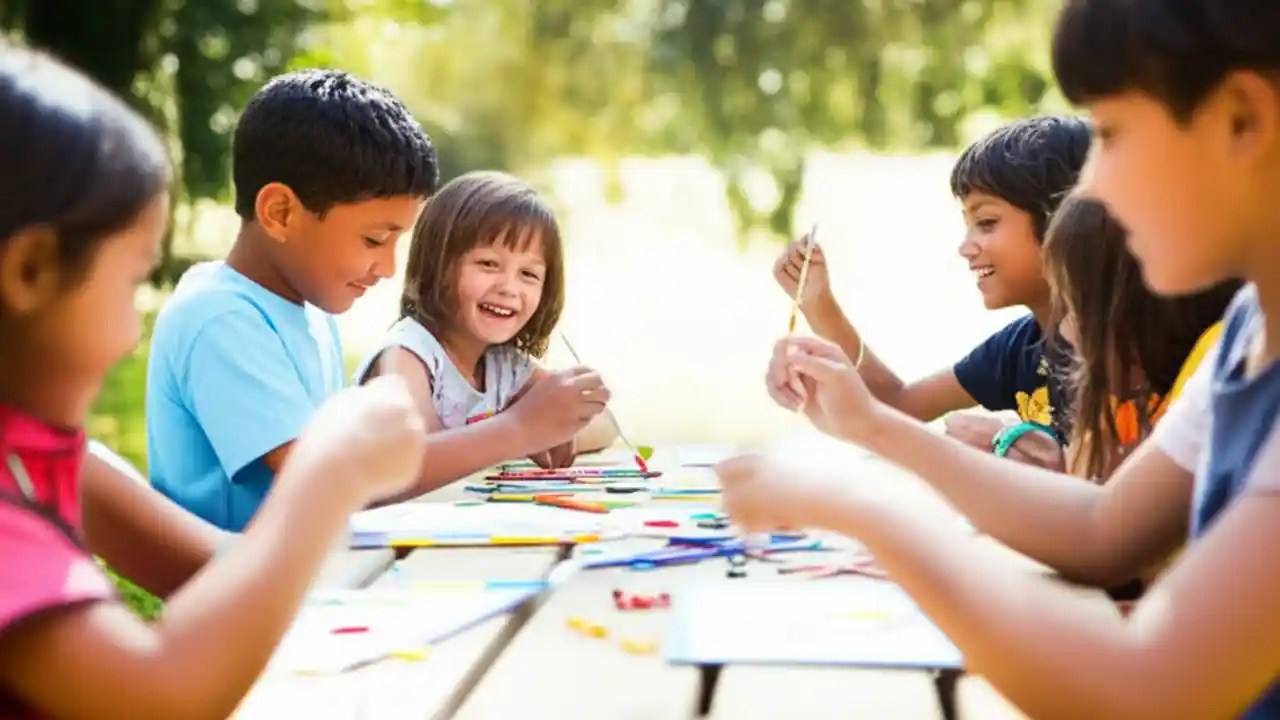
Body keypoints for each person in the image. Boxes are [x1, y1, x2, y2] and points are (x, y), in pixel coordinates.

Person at [720, 1, 1280, 716]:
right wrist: (872, 429)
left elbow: (1149, 689)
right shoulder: (1245, 332)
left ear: (1242, 121)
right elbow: (1102, 531)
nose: (1092, 189)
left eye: (1111, 134)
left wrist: (864, 507)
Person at [0, 42, 425, 719]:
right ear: (29, 273)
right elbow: (158, 695)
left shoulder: (52, 461)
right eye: (132, 278)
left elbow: (221, 568)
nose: (135, 332)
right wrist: (329, 474)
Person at [146, 68, 439, 530]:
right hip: (244, 592)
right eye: (374, 240)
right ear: (280, 213)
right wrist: (513, 431)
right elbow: (332, 477)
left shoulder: (308, 312)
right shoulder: (220, 318)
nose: (387, 269)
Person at [775, 116, 1090, 469]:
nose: (965, 247)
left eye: (986, 223)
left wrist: (1004, 442)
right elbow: (897, 406)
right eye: (967, 225)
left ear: (1064, 220)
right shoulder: (1020, 346)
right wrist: (819, 305)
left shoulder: (1130, 347)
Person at [356, 171, 614, 498]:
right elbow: (409, 465)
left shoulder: (503, 366)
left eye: (529, 274)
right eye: (488, 264)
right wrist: (518, 430)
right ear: (436, 265)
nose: (508, 288)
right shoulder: (407, 355)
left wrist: (552, 433)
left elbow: (605, 422)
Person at [1042, 192, 1238, 480]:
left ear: (1135, 308)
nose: (1066, 330)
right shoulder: (1122, 407)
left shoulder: (1216, 365)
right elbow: (1082, 483)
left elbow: (1100, 516)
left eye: (1076, 308)